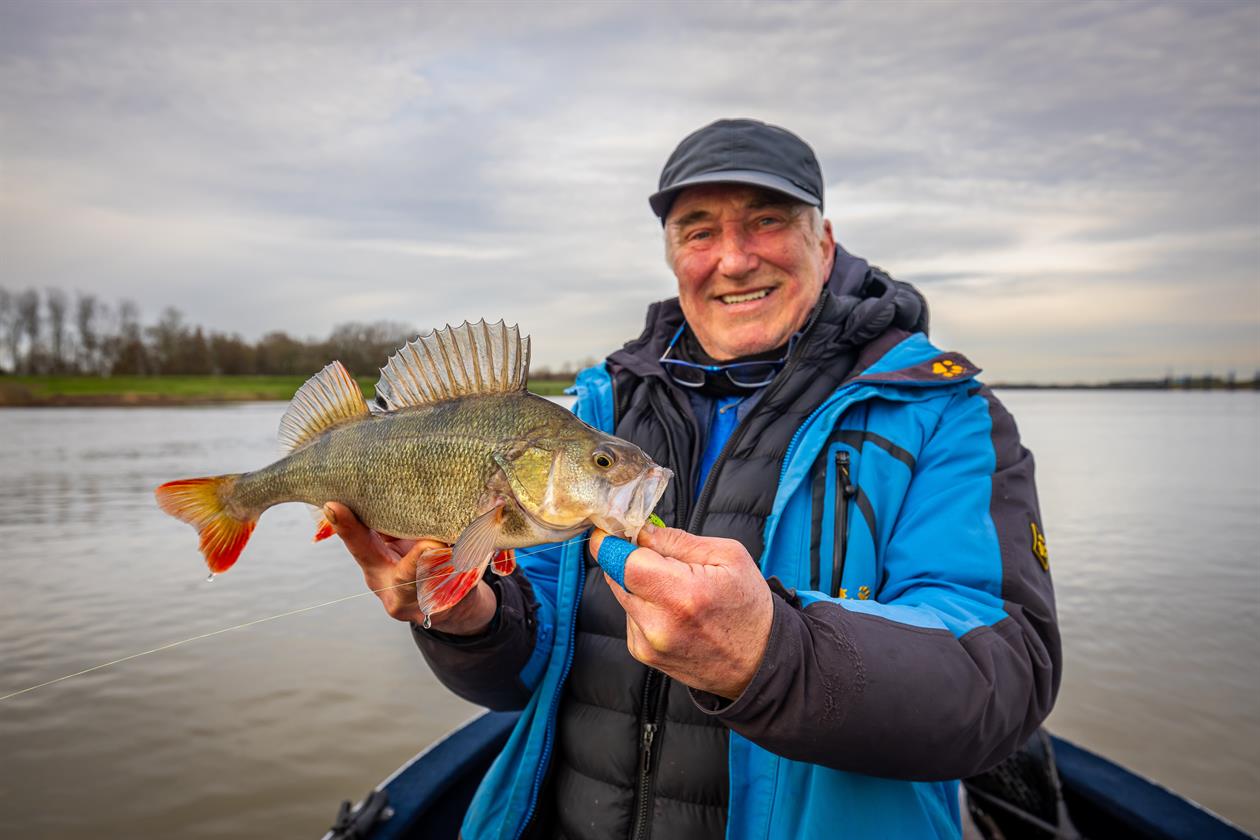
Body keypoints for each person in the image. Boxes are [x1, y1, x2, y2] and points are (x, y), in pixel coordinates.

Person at [325, 118, 1061, 839]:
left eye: (767, 220)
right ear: (674, 255)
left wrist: (774, 654)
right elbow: (521, 676)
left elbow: (1005, 679)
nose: (734, 259)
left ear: (825, 242)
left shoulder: (943, 413)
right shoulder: (594, 415)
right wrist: (468, 619)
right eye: (699, 230)